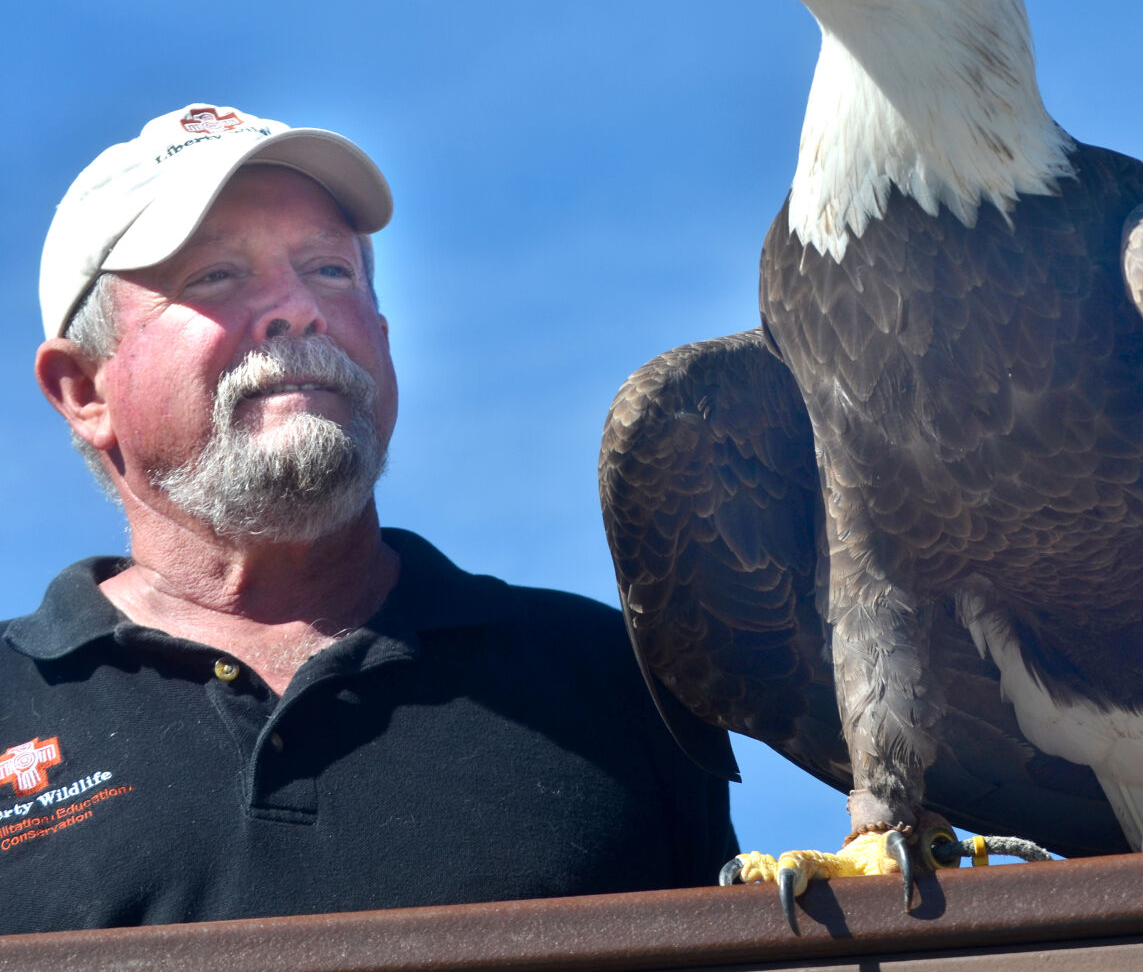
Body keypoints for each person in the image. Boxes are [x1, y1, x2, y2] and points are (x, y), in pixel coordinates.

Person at [1, 104, 737, 934]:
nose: (298, 310)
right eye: (216, 276)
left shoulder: (615, 677)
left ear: (382, 336)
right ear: (83, 391)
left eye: (329, 271)